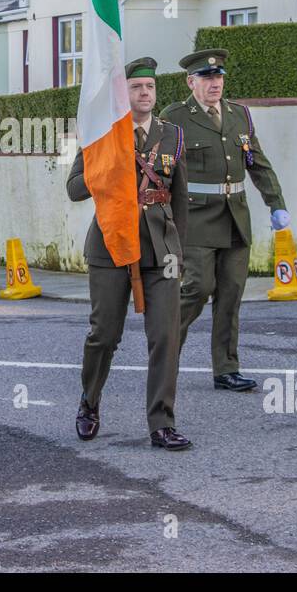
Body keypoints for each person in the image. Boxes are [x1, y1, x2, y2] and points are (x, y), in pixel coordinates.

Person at [67, 58, 192, 450]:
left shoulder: (172, 136)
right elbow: (74, 189)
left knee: (165, 337)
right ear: (124, 93)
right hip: (110, 245)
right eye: (136, 87)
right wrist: (110, 167)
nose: (144, 93)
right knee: (104, 334)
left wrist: (179, 252)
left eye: (149, 87)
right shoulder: (103, 134)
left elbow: (181, 200)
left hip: (161, 247)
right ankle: (90, 402)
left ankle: (162, 422)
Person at [161, 49, 288, 393]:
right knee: (198, 288)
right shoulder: (174, 117)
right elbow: (163, 170)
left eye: (218, 78)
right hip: (195, 217)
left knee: (231, 294)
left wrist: (276, 203)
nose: (214, 83)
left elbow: (257, 163)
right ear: (191, 82)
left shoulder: (239, 115)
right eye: (206, 78)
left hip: (235, 215)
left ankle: (226, 369)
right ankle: (165, 357)